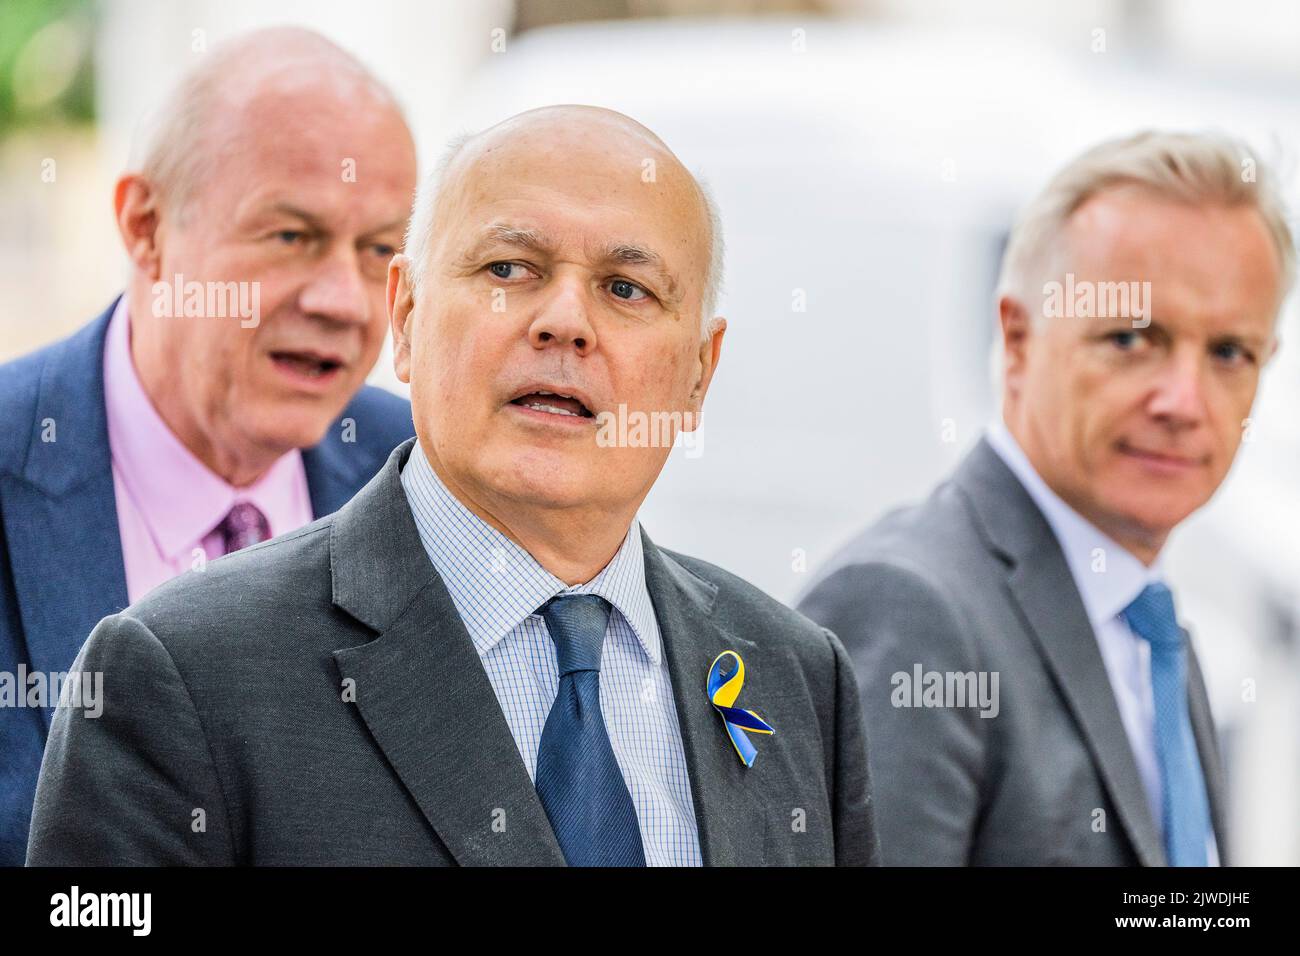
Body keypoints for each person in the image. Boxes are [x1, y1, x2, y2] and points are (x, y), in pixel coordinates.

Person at [26, 106, 879, 867]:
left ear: (699, 372)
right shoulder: (185, 678)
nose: (565, 322)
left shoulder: (796, 680)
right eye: (510, 268)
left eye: (626, 288)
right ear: (404, 317)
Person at [799, 131, 1292, 865]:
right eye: (1132, 338)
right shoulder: (912, 610)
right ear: (1019, 340)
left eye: (1228, 353)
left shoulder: (1157, 634)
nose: (1185, 401)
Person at [0, 27, 418, 866]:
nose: (344, 299)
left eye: (379, 250)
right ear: (147, 228)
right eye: (291, 236)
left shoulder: (421, 473)